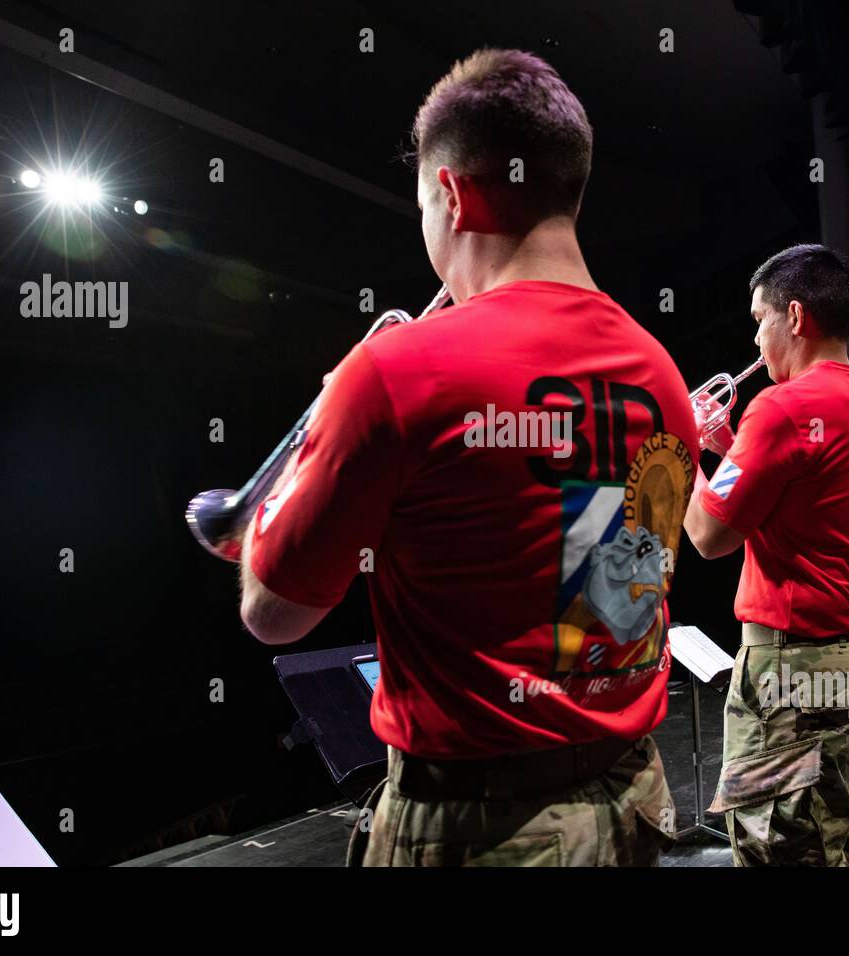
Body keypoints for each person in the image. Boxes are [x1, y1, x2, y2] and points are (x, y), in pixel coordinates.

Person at [238, 49, 699, 866]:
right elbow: (602, 599)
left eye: (422, 204)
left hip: (478, 833)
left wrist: (325, 434)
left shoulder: (395, 372)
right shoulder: (661, 373)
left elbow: (275, 614)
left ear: (450, 194)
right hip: (633, 806)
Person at [684, 243, 849, 866]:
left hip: (792, 670)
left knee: (781, 849)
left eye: (760, 320)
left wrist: (688, 453)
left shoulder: (782, 407)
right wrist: (729, 446)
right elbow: (808, 501)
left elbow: (708, 535)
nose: (755, 341)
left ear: (796, 317)